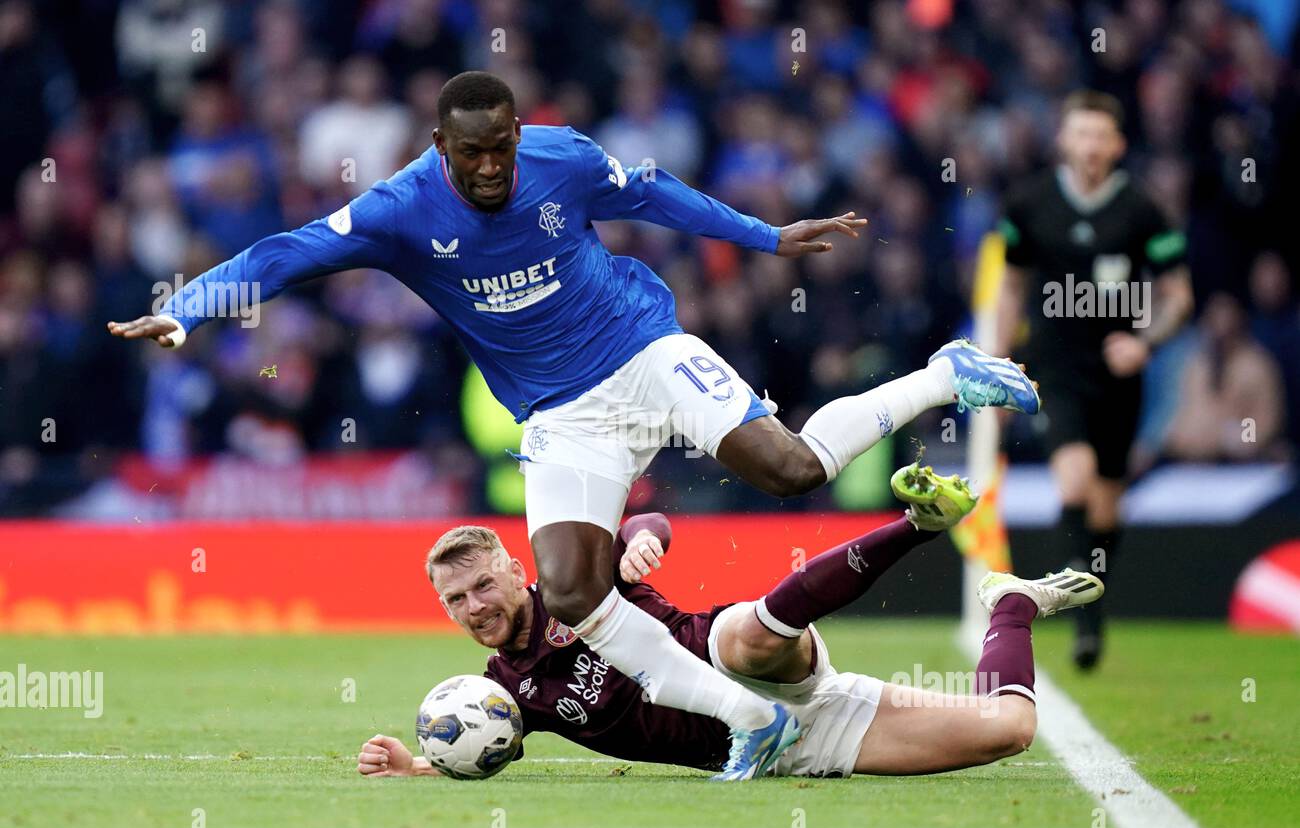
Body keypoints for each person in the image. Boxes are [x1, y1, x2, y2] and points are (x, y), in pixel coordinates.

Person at [110, 70, 1041, 779]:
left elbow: (653, 194)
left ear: (518, 136)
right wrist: (191, 305)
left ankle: (939, 376)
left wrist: (764, 236)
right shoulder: (399, 208)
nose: (488, 170)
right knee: (568, 594)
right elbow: (291, 251)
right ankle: (747, 720)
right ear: (440, 145)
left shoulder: (562, 157)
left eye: (500, 152)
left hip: (640, 347)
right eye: (469, 155)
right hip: (560, 415)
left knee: (792, 469)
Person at [356, 461, 1103, 781]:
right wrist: (413, 766)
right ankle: (1012, 605)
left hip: (728, 655)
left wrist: (647, 536)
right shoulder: (507, 692)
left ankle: (919, 524)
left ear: (518, 571)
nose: (475, 606)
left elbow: (646, 517)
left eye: (483, 584)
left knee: (747, 638)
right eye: (457, 601)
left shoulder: (573, 582)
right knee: (1009, 731)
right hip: (796, 744)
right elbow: (482, 750)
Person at [993, 89, 1193, 671]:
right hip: (1056, 365)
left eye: (1100, 136)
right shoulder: (1028, 204)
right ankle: (1076, 616)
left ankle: (1094, 615)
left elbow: (1180, 296)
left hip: (1117, 371)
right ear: (1063, 139)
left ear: (1118, 145)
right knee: (1074, 482)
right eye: (1080, 133)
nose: (1090, 146)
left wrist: (1145, 342)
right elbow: (1009, 289)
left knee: (1106, 505)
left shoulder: (1144, 210)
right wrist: (1001, 361)